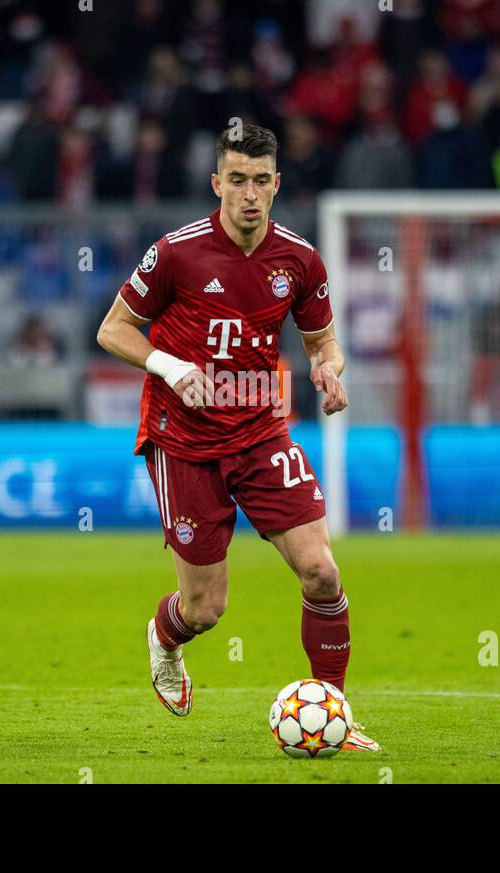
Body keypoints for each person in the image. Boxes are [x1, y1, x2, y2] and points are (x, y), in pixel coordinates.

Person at [95, 124, 379, 752]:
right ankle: (165, 640)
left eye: (261, 182)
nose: (249, 195)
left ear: (276, 185)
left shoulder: (300, 260)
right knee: (204, 611)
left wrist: (328, 369)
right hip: (184, 441)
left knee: (322, 575)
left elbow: (323, 342)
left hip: (261, 432)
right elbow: (113, 330)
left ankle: (336, 712)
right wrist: (172, 366)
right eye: (237, 181)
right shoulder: (176, 252)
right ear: (217, 183)